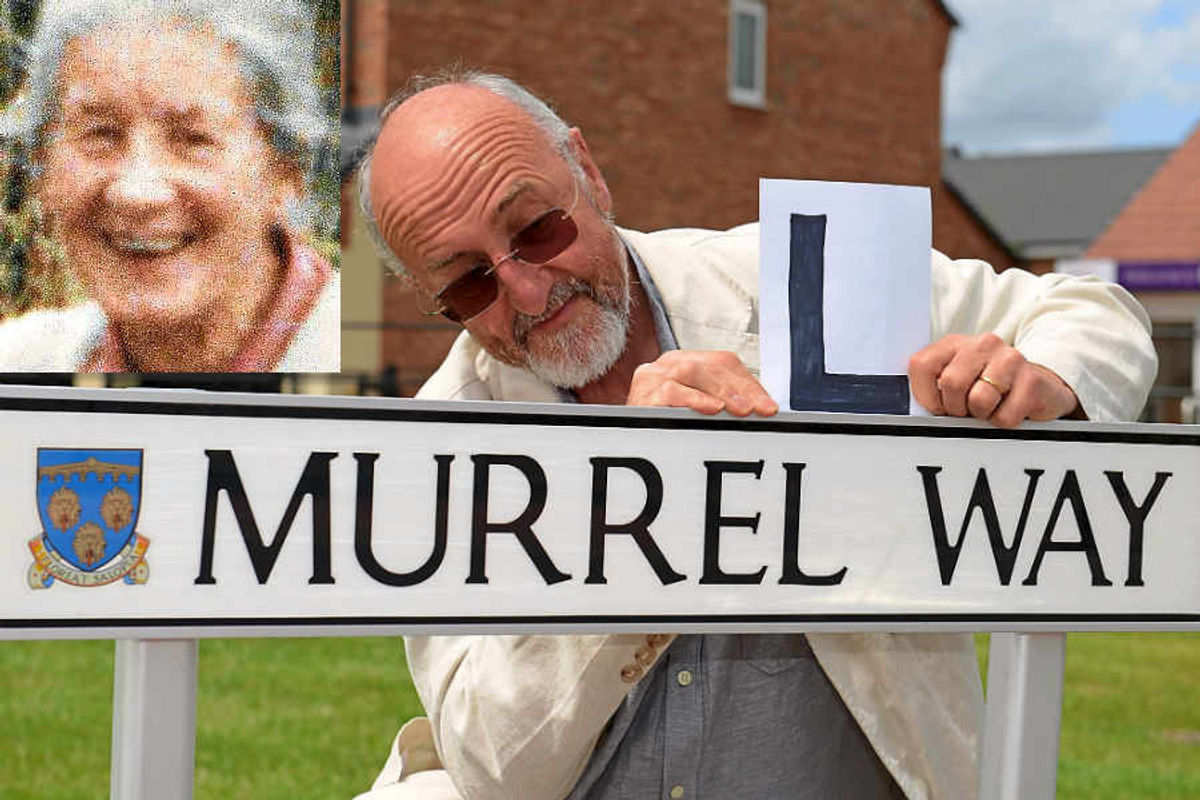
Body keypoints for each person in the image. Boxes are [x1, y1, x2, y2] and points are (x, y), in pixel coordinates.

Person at [353, 70, 1157, 800]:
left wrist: (1046, 381)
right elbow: (495, 762)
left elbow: (1094, 314)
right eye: (466, 281)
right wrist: (644, 517)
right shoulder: (444, 434)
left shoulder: (798, 273)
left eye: (535, 229)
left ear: (587, 173)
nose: (526, 291)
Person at [0, 0, 338, 372]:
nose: (137, 191)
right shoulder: (20, 370)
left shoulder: (392, 384)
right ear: (42, 161)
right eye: (100, 134)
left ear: (285, 169)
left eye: (193, 140)